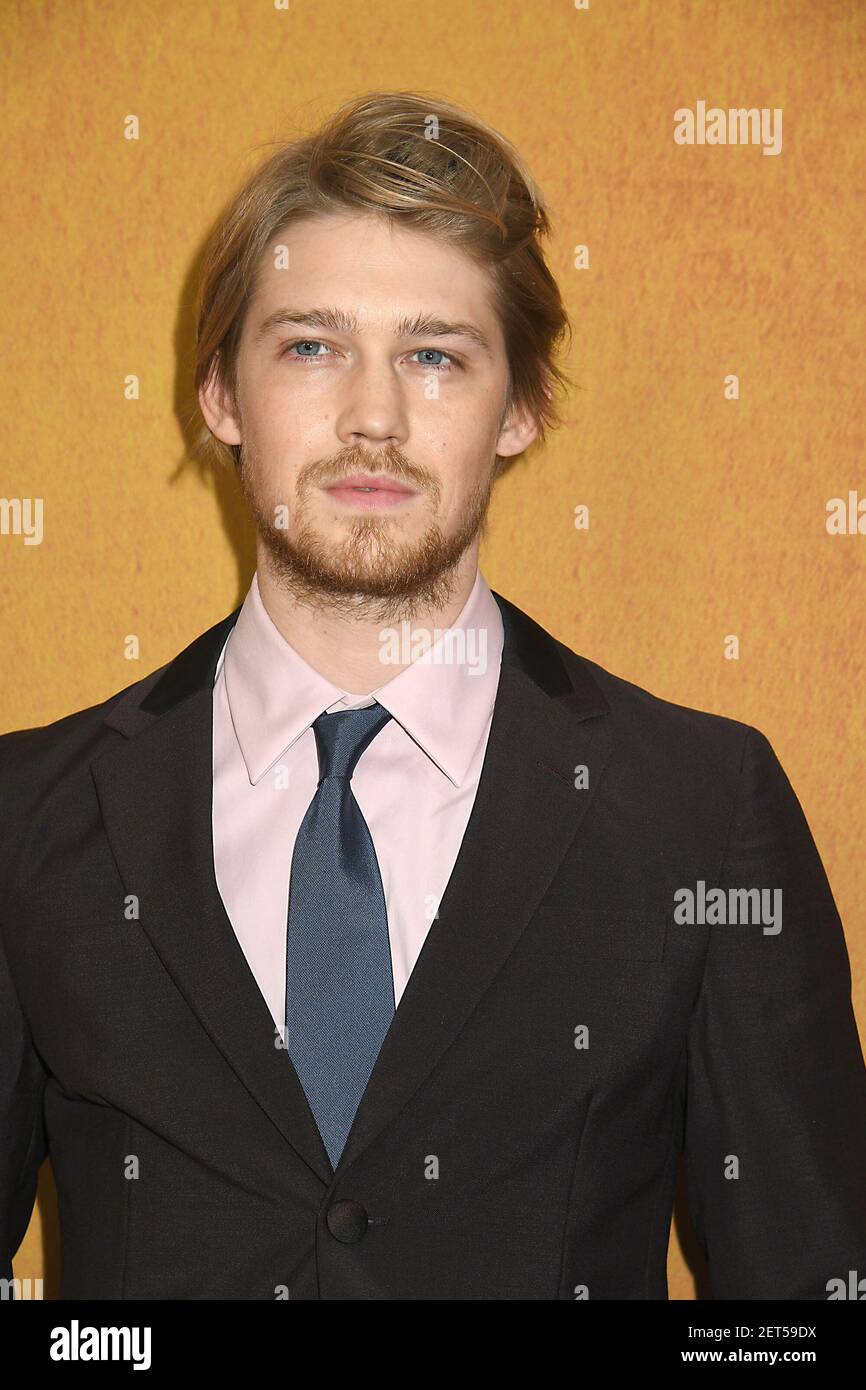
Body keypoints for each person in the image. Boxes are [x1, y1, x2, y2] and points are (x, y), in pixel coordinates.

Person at [2, 90, 865, 1301]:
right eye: (309, 345)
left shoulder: (699, 809)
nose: (372, 417)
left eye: (433, 356)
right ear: (218, 398)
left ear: (518, 409)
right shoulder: (27, 816)